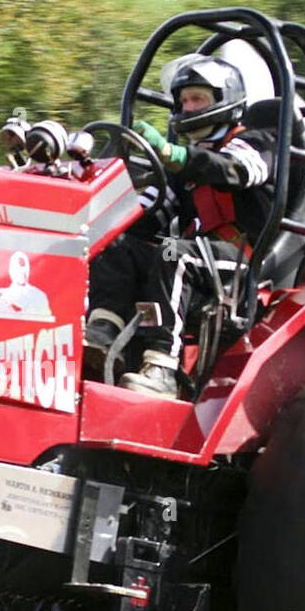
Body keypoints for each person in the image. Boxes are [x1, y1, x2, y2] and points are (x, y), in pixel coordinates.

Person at [85, 56, 275, 397]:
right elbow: (150, 213)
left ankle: (162, 370)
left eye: (197, 99)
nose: (188, 108)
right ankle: (101, 336)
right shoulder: (180, 164)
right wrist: (99, 220)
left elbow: (235, 170)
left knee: (175, 254)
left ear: (225, 99)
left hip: (243, 262)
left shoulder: (257, 142)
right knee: (117, 243)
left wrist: (175, 155)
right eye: (183, 100)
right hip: (199, 260)